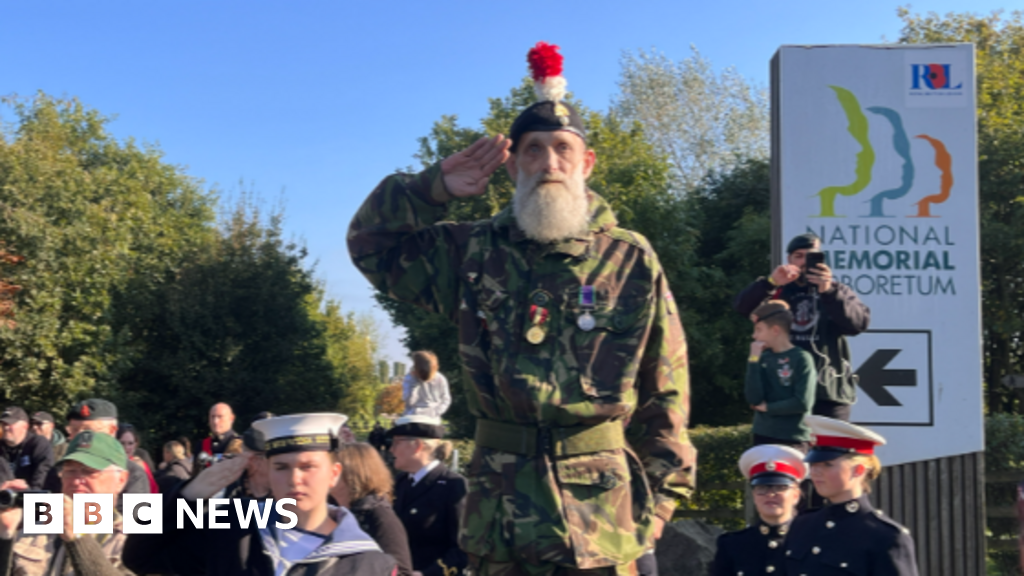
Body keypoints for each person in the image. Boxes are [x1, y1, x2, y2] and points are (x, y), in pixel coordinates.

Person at [348, 41, 695, 574]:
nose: (549, 162)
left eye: (562, 148)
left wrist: (659, 503)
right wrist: (431, 189)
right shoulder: (471, 251)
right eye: (532, 149)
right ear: (512, 165)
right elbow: (371, 246)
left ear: (587, 162)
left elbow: (665, 387)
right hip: (498, 514)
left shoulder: (629, 258)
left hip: (603, 515)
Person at [123, 413, 398, 576]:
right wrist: (188, 495)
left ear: (334, 473)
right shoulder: (237, 521)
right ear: (266, 469)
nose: (294, 478)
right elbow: (138, 558)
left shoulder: (370, 564)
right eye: (281, 467)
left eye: (308, 466)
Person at [734, 233, 870, 421]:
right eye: (798, 256)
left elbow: (858, 325)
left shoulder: (837, 291)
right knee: (785, 450)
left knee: (830, 450)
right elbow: (742, 307)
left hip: (827, 390)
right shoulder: (777, 291)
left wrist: (828, 292)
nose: (804, 262)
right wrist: (770, 283)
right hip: (782, 391)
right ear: (788, 260)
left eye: (811, 256)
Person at [784, 415, 919, 575]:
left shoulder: (886, 537)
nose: (815, 471)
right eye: (814, 464)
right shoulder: (802, 525)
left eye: (827, 464)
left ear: (858, 470)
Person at [0, 431, 131, 576]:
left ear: (121, 480)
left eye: (89, 471)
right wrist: (5, 534)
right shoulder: (38, 527)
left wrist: (77, 538)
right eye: (70, 471)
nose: (76, 480)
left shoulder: (136, 538)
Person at [710, 444, 806, 576]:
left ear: (796, 495)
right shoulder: (733, 544)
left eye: (780, 487)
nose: (770, 494)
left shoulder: (810, 541)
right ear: (754, 496)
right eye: (762, 488)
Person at [387, 417, 465, 576]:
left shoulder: (452, 486)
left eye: (396, 443)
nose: (391, 449)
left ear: (417, 446)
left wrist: (426, 574)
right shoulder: (400, 482)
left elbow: (463, 548)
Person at [44, 399, 151, 501]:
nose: (80, 436)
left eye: (89, 431)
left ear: (112, 430)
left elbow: (140, 519)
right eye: (74, 430)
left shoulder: (135, 474)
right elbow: (43, 516)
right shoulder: (57, 470)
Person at [333, 442, 414, 576]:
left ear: (354, 473)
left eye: (335, 470)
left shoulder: (379, 515)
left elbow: (401, 571)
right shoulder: (333, 511)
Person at [745, 300, 816, 450]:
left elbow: (803, 402)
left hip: (793, 437)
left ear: (775, 330)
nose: (754, 336)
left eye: (759, 330)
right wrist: (753, 360)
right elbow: (754, 398)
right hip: (762, 434)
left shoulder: (802, 358)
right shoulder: (762, 358)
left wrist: (769, 408)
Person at [0, 407, 53, 491]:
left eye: (10, 424)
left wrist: (29, 495)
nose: (6, 428)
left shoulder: (37, 444)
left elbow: (42, 475)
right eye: (3, 424)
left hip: (31, 497)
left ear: (25, 426)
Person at [401, 351, 451, 419]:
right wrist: (414, 384)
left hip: (433, 418)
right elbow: (409, 401)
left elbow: (446, 399)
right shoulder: (410, 378)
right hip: (413, 416)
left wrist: (436, 412)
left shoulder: (440, 379)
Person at [196, 402, 241, 470]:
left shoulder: (241, 444)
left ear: (231, 418)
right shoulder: (202, 444)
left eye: (220, 417)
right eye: (212, 417)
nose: (215, 421)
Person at [117, 425, 158, 493]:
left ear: (135, 444)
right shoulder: (106, 465)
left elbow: (153, 491)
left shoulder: (141, 465)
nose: (126, 447)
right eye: (122, 443)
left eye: (130, 443)